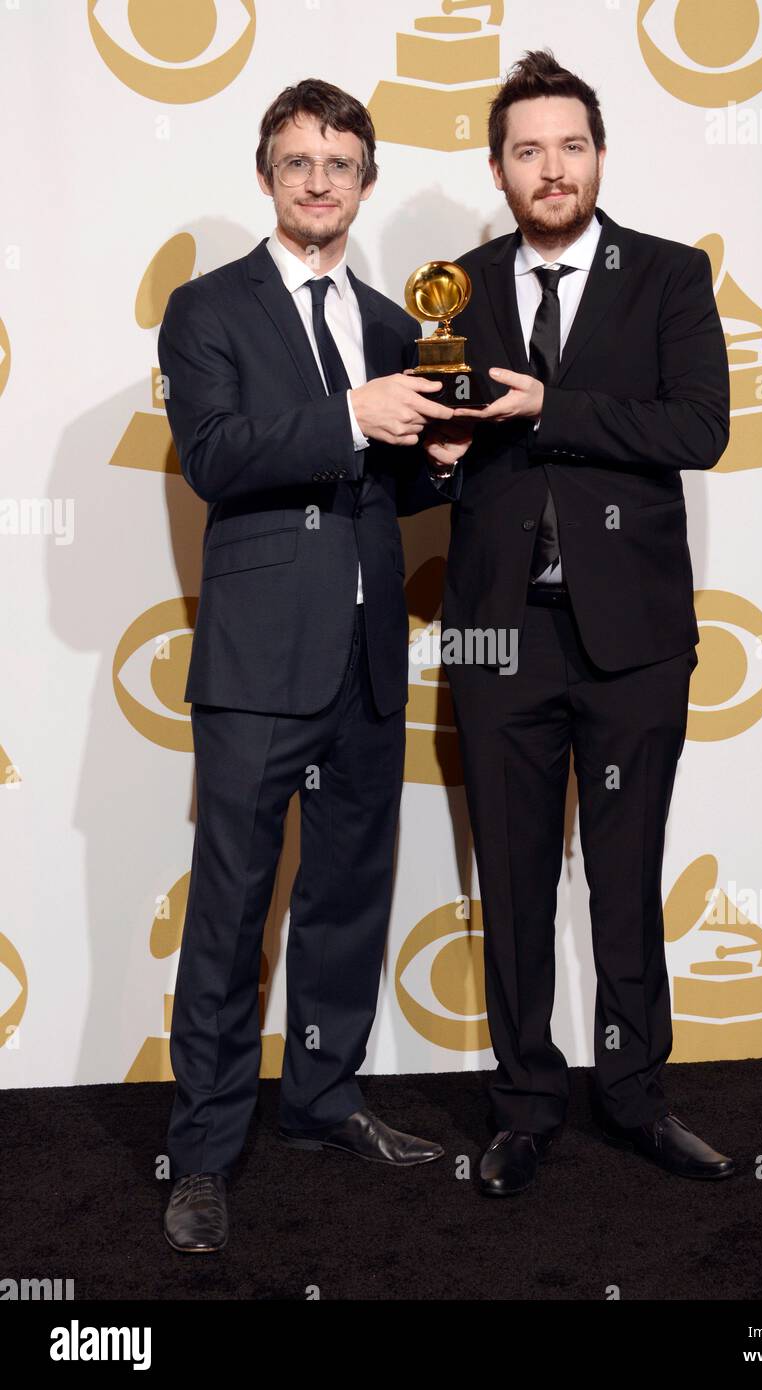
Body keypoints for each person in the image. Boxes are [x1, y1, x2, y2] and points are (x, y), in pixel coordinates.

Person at [157, 78, 456, 1252]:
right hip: (254, 662)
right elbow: (216, 457)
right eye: (297, 162)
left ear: (365, 180)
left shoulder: (396, 319)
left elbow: (398, 480)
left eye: (339, 163)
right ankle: (203, 1147)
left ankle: (324, 1100)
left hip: (367, 656)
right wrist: (351, 415)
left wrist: (436, 454)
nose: (319, 181)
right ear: (268, 176)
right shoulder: (206, 307)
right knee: (231, 912)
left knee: (344, 902)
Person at [434, 50, 736, 1195]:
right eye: (526, 150)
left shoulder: (666, 275)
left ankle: (634, 1094)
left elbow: (697, 428)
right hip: (496, 636)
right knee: (508, 880)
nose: (550, 167)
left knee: (625, 872)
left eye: (569, 145)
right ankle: (521, 1106)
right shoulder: (452, 289)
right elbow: (429, 462)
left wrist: (549, 406)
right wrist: (441, 453)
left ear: (599, 156)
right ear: (499, 168)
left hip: (635, 638)